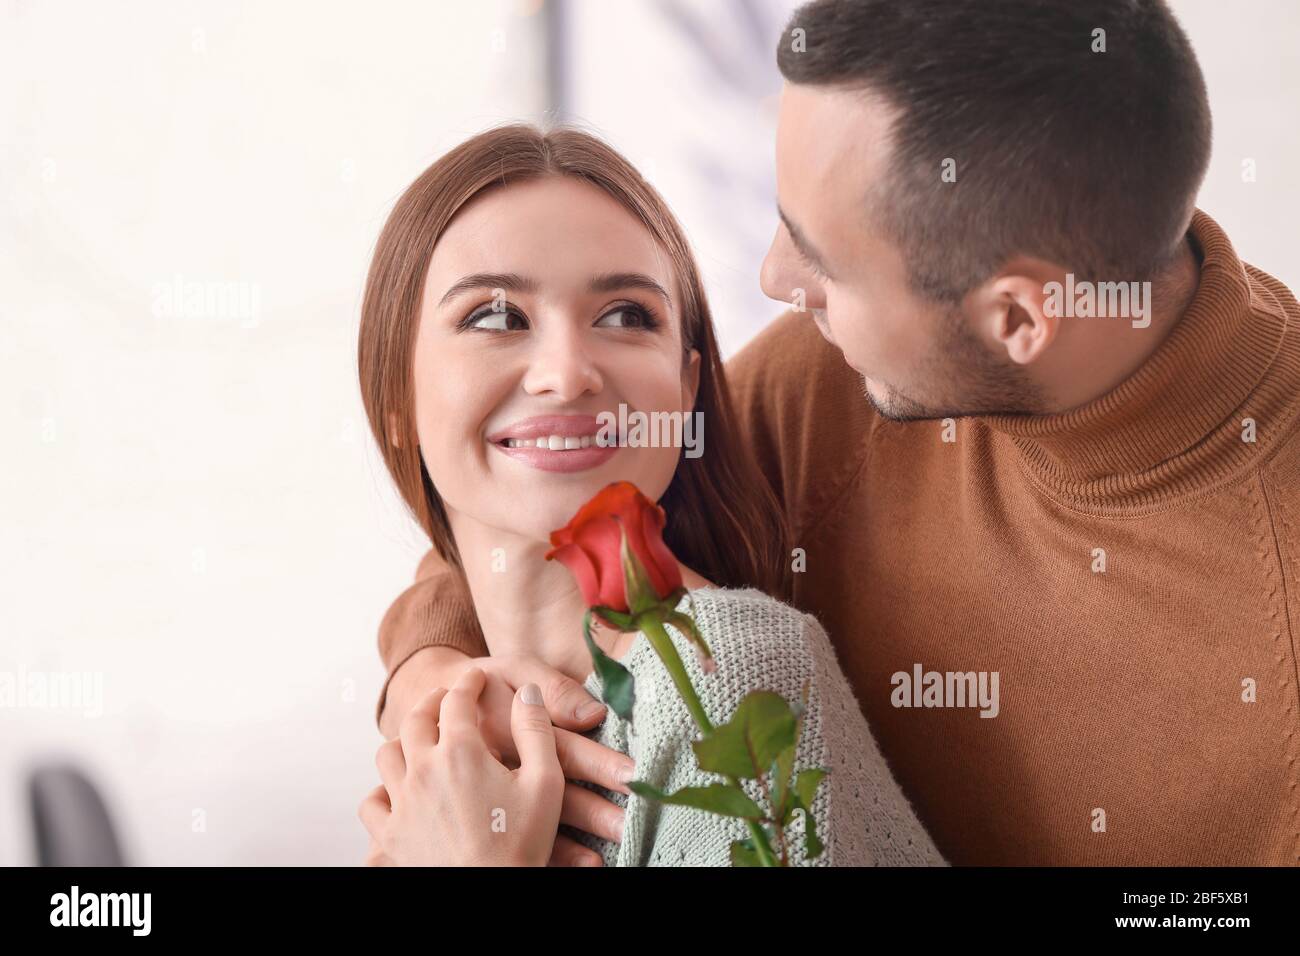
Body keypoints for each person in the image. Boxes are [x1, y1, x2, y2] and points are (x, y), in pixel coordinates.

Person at [371, 0, 1300, 866]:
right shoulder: (835, 378)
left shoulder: (1275, 621)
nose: (775, 280)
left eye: (821, 256)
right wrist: (433, 678)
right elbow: (559, 488)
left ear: (1017, 319)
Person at [354, 124, 945, 866]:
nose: (568, 373)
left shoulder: (733, 686)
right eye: (497, 317)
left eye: (626, 315)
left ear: (688, 387)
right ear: (395, 399)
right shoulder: (446, 747)